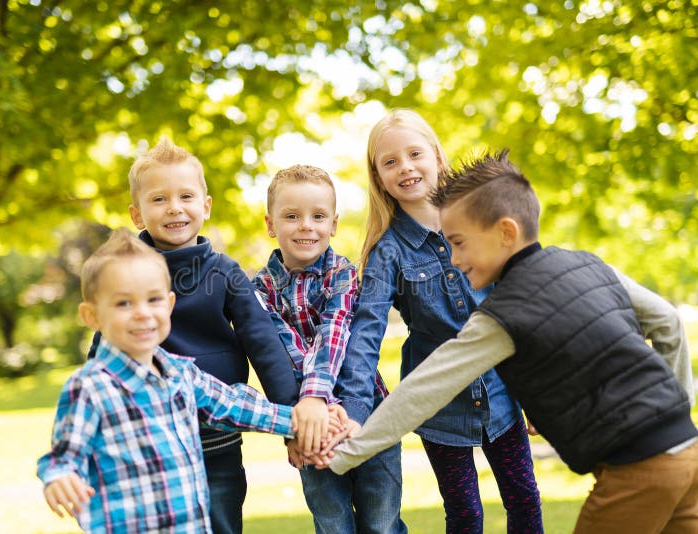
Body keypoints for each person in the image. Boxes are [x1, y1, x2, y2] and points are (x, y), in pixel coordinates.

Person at [325, 149, 698, 533]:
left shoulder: (502, 315)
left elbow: (424, 388)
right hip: (688, 450)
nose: (453, 259)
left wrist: (343, 455)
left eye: (459, 242)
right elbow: (668, 322)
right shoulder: (589, 264)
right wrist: (679, 409)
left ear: (506, 232)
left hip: (637, 469)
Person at [334, 109, 542, 533]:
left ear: (437, 157)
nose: (405, 167)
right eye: (390, 162)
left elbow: (526, 307)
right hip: (438, 404)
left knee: (524, 499)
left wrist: (540, 390)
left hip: (504, 392)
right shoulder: (386, 252)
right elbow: (365, 335)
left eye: (415, 153)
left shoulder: (482, 221)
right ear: (378, 177)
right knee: (465, 513)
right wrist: (354, 411)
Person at [88, 137, 299, 534]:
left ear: (205, 205)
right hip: (152, 440)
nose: (174, 208)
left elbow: (262, 341)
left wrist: (292, 418)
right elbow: (104, 347)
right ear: (137, 214)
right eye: (159, 199)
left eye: (186, 195)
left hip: (218, 433)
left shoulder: (223, 271)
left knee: (221, 519)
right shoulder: (125, 272)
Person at [36, 228, 299, 533]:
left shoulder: (180, 373)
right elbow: (64, 454)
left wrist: (300, 421)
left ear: (170, 306)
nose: (143, 314)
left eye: (154, 300)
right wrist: (60, 476)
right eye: (124, 304)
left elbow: (235, 405)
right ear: (92, 317)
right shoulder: (91, 387)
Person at [252, 164, 401, 533]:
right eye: (292, 216)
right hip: (307, 430)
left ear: (333, 224)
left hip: (369, 416)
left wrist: (325, 406)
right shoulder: (258, 290)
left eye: (318, 216)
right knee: (332, 523)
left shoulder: (344, 274)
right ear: (271, 224)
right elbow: (281, 354)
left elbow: (333, 337)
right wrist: (299, 428)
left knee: (381, 521)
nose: (306, 225)